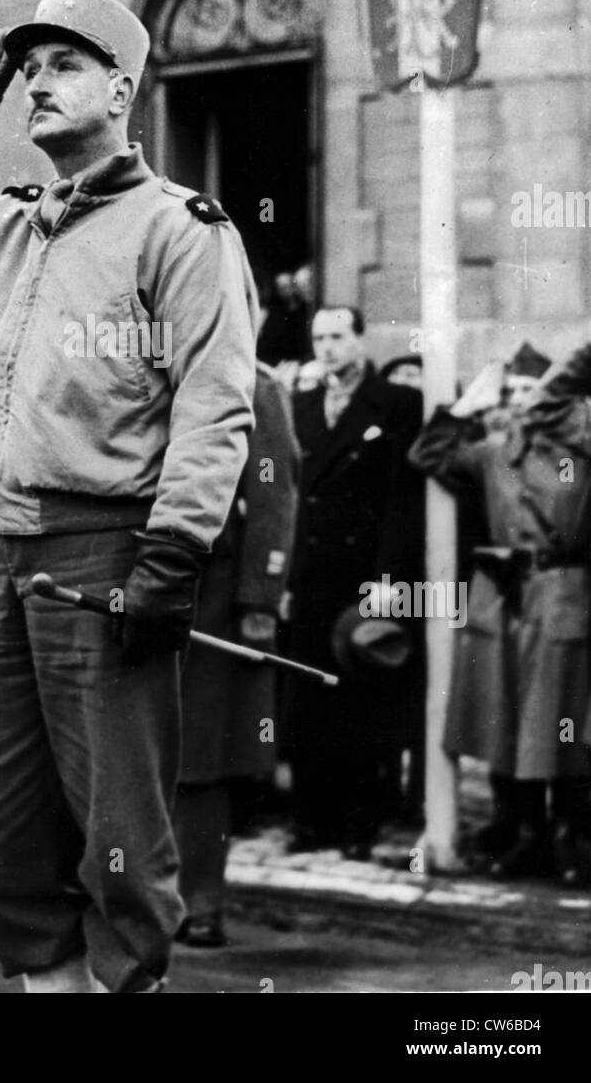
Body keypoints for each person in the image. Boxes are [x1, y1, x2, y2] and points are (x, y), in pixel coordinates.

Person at [0, 0, 258, 993]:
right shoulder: (3, 231)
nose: (35, 80)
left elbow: (216, 409)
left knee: (119, 832)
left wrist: (170, 555)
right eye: (25, 66)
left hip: (102, 557)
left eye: (61, 63)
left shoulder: (180, 231)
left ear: (121, 89)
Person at [409, 342, 591, 884]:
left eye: (527, 391)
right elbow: (429, 454)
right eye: (510, 391)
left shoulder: (578, 444)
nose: (518, 401)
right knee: (503, 720)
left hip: (562, 593)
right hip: (502, 595)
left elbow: (554, 405)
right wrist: (462, 407)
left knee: (561, 725)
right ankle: (522, 832)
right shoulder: (494, 450)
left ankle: (575, 838)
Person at [283, 305, 424, 858]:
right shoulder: (299, 407)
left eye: (339, 337)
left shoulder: (396, 405)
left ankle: (358, 826)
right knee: (305, 700)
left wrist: (389, 577)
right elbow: (292, 498)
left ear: (361, 341)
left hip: (362, 578)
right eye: (319, 338)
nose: (328, 348)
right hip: (311, 575)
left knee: (362, 705)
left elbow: (401, 497)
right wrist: (285, 578)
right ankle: (309, 820)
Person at [174, 361, 299, 947]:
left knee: (200, 760)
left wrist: (258, 601)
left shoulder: (251, 379)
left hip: (211, 596)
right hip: (124, 587)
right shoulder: (129, 358)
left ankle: (198, 900)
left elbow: (271, 499)